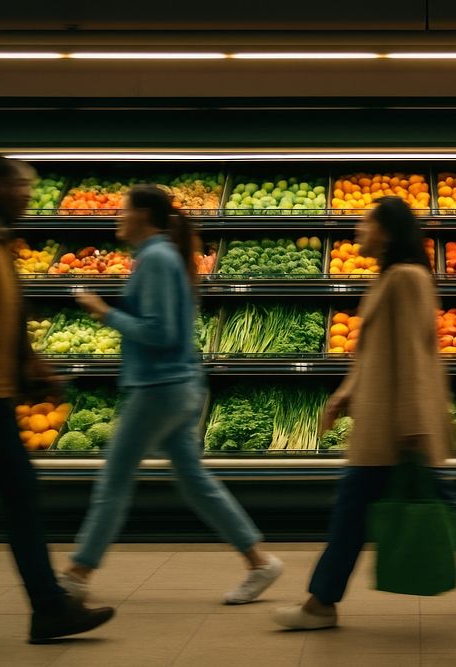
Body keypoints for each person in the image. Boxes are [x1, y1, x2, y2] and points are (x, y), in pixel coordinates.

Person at [272, 196, 456, 630]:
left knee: (352, 512)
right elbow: (375, 351)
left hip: (393, 424)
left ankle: (320, 604)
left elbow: (411, 356)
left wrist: (411, 424)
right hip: (386, 419)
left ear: (387, 231)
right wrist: (344, 394)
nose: (358, 230)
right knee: (432, 499)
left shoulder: (406, 278)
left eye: (366, 223)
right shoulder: (391, 276)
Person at [65, 185, 281, 605]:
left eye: (124, 211)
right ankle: (260, 562)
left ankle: (77, 574)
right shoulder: (159, 256)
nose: (117, 217)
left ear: (144, 215)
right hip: (177, 385)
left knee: (113, 481)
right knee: (195, 482)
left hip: (158, 388)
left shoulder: (157, 259)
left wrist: (104, 312)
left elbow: (159, 332)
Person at [0, 155, 115, 644]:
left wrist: (31, 364)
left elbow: (5, 314)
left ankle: (49, 608)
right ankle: (49, 608)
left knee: (21, 496)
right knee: (20, 496)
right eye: (20, 188)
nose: (28, 196)